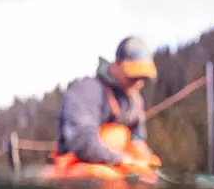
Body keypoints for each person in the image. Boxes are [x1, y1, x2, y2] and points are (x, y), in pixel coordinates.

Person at [54, 36, 161, 172]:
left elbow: (137, 138)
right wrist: (121, 159)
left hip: (118, 168)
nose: (138, 83)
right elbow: (83, 142)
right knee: (102, 174)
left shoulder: (135, 100)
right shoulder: (87, 90)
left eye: (142, 78)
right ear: (116, 64)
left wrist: (144, 160)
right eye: (133, 76)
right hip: (81, 169)